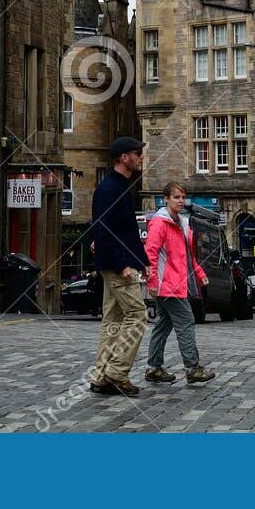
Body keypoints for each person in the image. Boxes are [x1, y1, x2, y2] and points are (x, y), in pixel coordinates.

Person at [88, 136, 147, 397]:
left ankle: (101, 376)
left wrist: (142, 261)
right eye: (137, 153)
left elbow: (127, 231)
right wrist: (123, 264)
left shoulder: (121, 185)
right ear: (125, 157)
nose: (140, 157)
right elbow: (103, 230)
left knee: (113, 320)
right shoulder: (109, 188)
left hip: (116, 261)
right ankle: (116, 373)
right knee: (137, 315)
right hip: (115, 265)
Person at [143, 183, 215, 385]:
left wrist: (199, 273)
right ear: (166, 199)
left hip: (177, 282)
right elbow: (151, 254)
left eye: (183, 197)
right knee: (186, 321)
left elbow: (187, 254)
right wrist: (153, 282)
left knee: (163, 326)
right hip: (168, 284)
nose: (181, 201)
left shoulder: (182, 223)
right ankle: (192, 368)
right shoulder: (159, 223)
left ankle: (153, 367)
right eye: (176, 197)